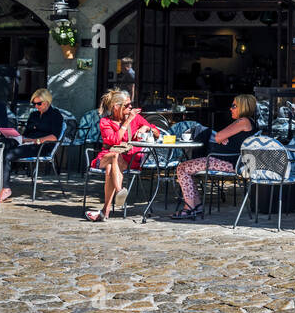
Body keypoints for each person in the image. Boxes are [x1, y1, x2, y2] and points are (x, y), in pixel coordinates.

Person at [171, 94, 256, 219]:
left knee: (182, 168)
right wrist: (224, 138)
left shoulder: (242, 121)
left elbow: (218, 137)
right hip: (230, 160)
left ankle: (190, 207)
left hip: (227, 161)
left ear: (243, 107)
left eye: (234, 106)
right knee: (186, 167)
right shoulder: (250, 122)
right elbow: (222, 138)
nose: (230, 109)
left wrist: (223, 138)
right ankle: (195, 206)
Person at [86, 89, 158, 222]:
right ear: (116, 107)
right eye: (127, 105)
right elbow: (114, 140)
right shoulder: (105, 122)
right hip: (106, 156)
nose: (130, 107)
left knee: (111, 168)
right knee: (114, 156)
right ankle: (120, 192)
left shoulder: (135, 118)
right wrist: (127, 122)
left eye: (131, 104)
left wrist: (145, 128)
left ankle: (105, 212)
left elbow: (156, 132)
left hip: (130, 158)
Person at [0, 88, 65, 203]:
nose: (36, 106)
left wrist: (35, 141)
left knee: (8, 155)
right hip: (28, 142)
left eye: (39, 103)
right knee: (3, 144)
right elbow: (27, 133)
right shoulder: (34, 115)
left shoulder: (55, 115)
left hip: (42, 146)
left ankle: (5, 187)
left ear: (47, 102)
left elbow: (54, 137)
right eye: (34, 103)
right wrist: (19, 137)